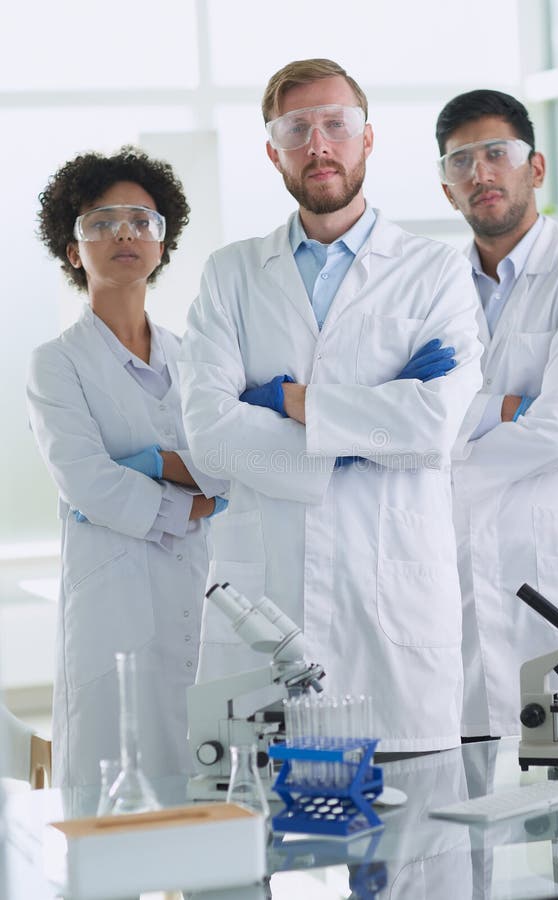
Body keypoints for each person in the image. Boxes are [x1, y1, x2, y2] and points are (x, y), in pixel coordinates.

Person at [179, 58, 483, 754]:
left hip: (392, 602)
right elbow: (210, 433)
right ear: (273, 151)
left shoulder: (434, 271)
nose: (318, 144)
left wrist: (290, 401)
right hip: (266, 599)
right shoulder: (230, 275)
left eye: (336, 125)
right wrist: (368, 427)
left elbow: (434, 424)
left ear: (367, 138)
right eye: (296, 129)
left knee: (410, 812)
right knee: (252, 810)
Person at [27, 148, 229, 787]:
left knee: (207, 796)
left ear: (162, 245)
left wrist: (159, 466)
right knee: (115, 799)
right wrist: (196, 496)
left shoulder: (194, 357)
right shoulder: (56, 363)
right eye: (102, 221)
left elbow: (231, 461)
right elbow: (88, 482)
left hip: (201, 594)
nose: (125, 233)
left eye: (142, 221)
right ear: (73, 250)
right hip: (111, 612)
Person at [435, 90, 558, 739]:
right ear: (446, 189)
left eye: (497, 153)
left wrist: (444, 452)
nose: (480, 173)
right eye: (461, 161)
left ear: (536, 168)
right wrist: (503, 411)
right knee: (467, 784)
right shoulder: (432, 293)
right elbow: (403, 418)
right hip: (459, 587)